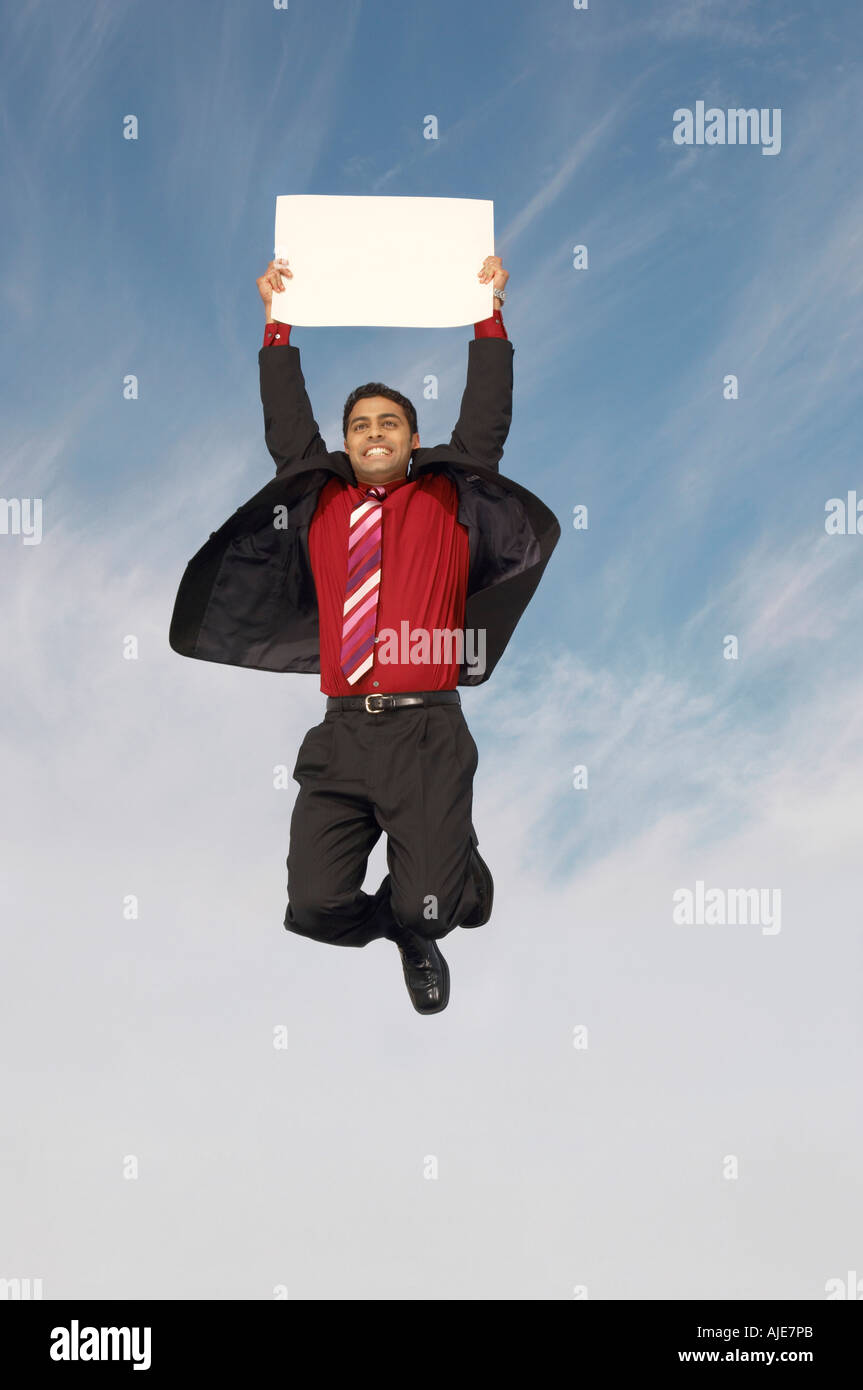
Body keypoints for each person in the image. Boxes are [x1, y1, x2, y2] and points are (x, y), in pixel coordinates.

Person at [169, 252, 560, 1015]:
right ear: (344, 441)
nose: (373, 433)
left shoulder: (446, 493)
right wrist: (276, 325)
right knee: (314, 907)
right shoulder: (319, 501)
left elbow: (487, 412)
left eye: (389, 423)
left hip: (426, 734)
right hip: (342, 734)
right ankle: (405, 919)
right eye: (359, 425)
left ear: (413, 438)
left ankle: (438, 897)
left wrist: (489, 312)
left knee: (435, 907)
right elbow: (286, 427)